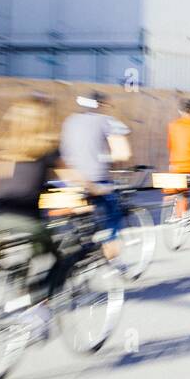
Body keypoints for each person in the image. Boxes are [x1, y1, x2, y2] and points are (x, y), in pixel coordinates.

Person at [0, 93, 66, 339]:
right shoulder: (47, 147)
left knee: (19, 262)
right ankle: (40, 309)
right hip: (29, 222)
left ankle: (19, 299)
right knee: (59, 260)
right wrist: (93, 190)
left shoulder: (4, 146)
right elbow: (72, 177)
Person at [61, 91, 130, 262]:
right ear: (101, 104)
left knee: (79, 215)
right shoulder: (106, 121)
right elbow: (123, 153)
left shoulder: (70, 121)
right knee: (113, 210)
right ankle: (110, 246)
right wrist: (107, 158)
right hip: (95, 179)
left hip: (70, 181)